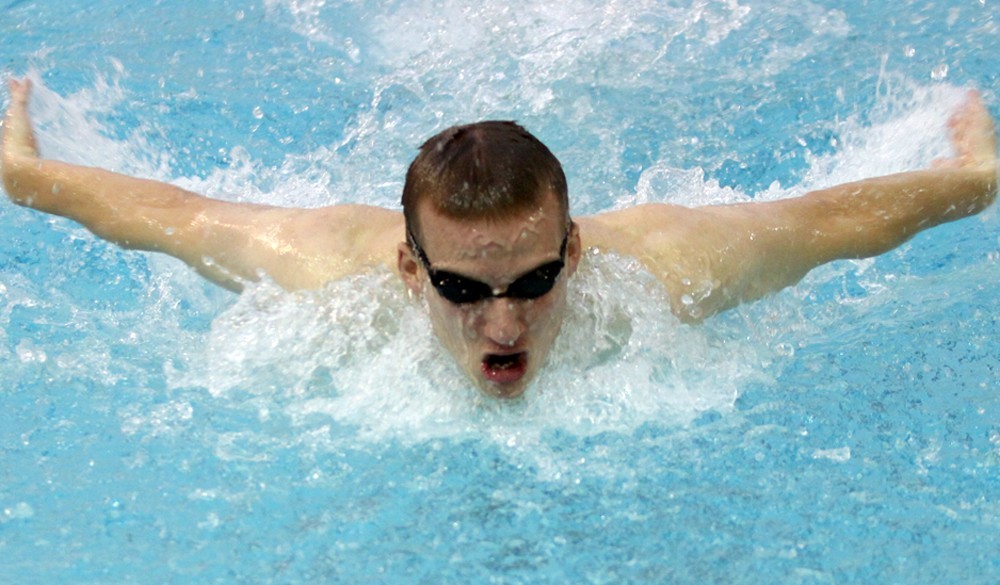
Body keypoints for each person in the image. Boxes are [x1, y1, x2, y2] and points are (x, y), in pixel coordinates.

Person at [3, 78, 997, 398]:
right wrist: (20, 167)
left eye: (533, 279)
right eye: (464, 290)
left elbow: (830, 220)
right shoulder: (323, 274)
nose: (505, 323)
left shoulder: (666, 271)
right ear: (410, 269)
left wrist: (974, 178)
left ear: (575, 252)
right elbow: (172, 216)